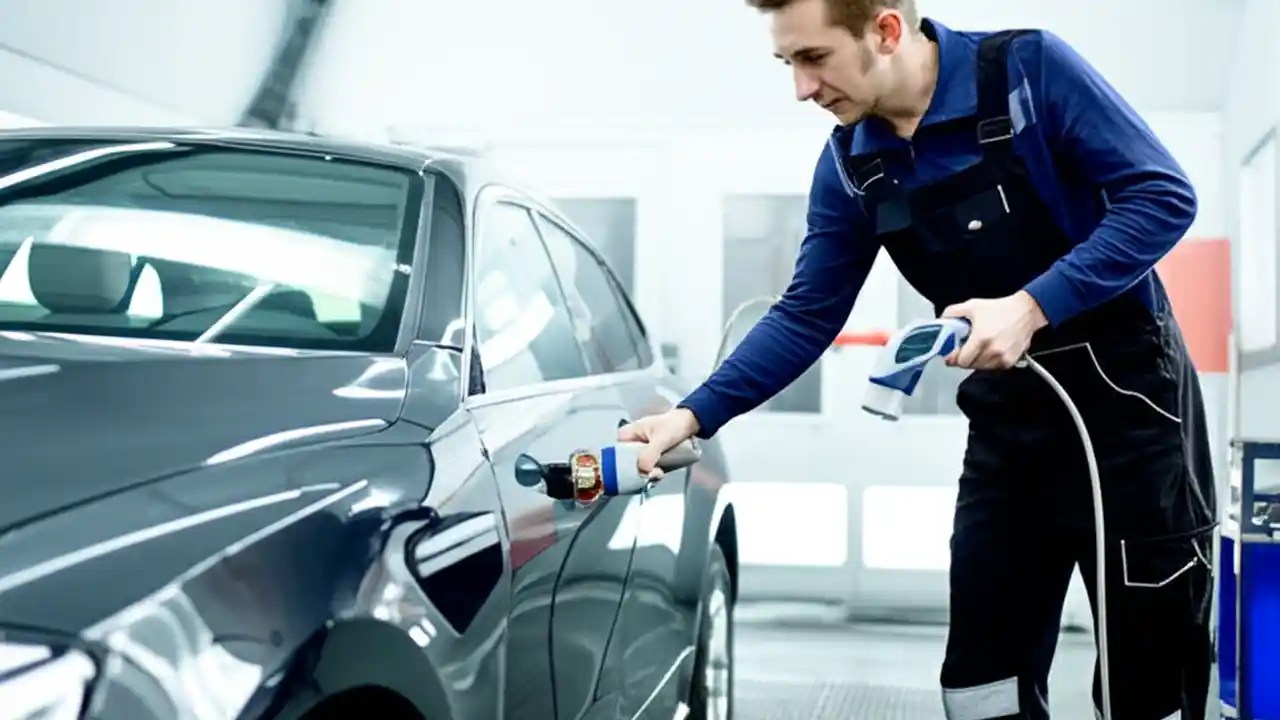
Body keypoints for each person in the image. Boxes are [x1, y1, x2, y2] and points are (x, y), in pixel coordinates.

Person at [617, 0, 1218, 717]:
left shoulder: (1027, 72)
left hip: (1131, 417)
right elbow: (807, 312)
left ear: (886, 30)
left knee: (1146, 684)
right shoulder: (852, 164)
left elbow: (1163, 196)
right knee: (979, 687)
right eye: (788, 64)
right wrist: (690, 416)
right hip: (1008, 428)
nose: (801, 89)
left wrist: (1030, 307)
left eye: (814, 59)